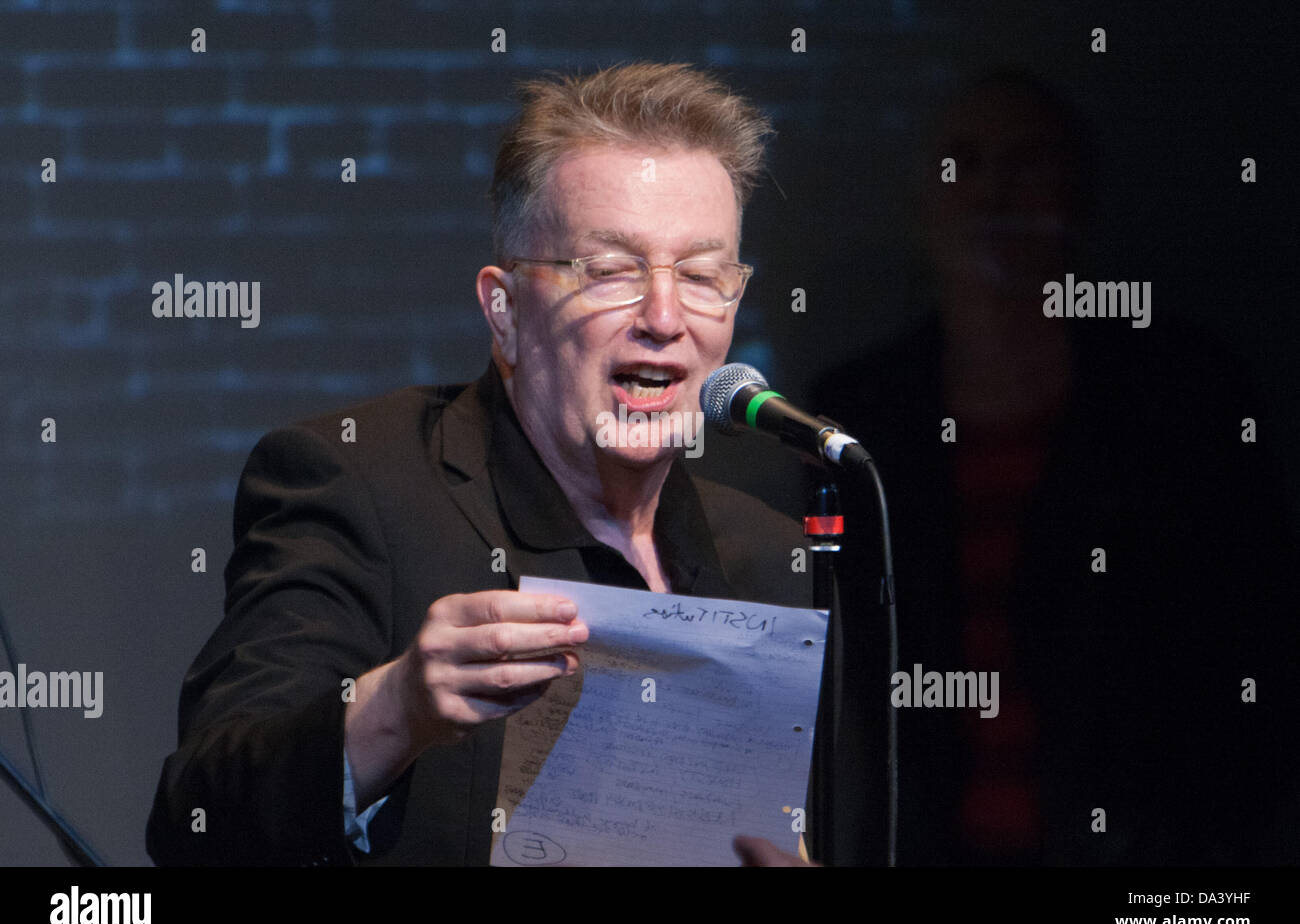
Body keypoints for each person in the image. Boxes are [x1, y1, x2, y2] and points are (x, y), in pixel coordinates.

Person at [146, 62, 818, 866]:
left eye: (703, 276)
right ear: (504, 311)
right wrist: (397, 706)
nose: (665, 317)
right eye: (609, 271)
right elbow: (201, 822)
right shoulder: (355, 485)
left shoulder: (775, 559)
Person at [812, 71, 1299, 865]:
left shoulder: (1188, 392)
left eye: (1027, 161)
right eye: (962, 161)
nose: (995, 188)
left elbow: (1258, 642)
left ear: (1079, 191)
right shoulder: (862, 409)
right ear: (921, 199)